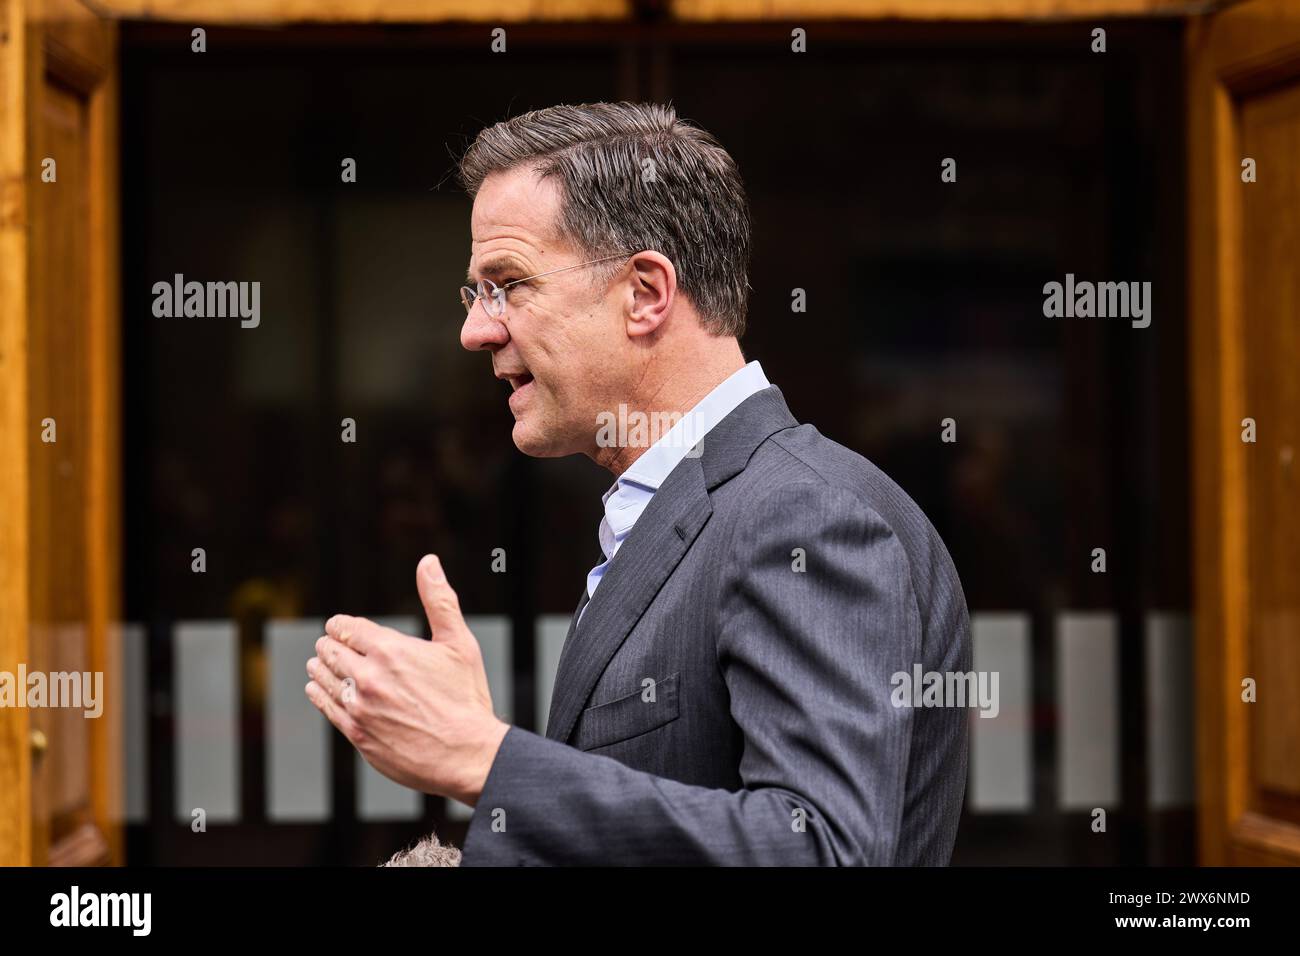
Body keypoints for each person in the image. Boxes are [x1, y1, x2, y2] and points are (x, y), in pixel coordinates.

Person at [306, 101, 970, 865]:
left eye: (508, 284)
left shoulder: (803, 515)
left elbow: (821, 850)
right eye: (475, 293)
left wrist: (483, 759)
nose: (476, 330)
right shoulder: (686, 508)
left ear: (646, 293)